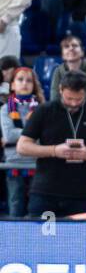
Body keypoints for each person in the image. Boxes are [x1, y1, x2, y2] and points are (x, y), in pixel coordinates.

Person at [16, 71, 86, 218]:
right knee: (43, 238)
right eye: (69, 98)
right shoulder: (44, 110)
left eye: (79, 99)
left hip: (81, 194)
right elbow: (22, 146)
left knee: (76, 239)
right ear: (60, 90)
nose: (73, 103)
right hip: (45, 192)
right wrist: (54, 150)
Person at [2, 65, 43, 217]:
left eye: (29, 80)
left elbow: (44, 136)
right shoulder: (5, 109)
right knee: (15, 202)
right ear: (12, 84)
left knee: (36, 205)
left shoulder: (41, 109)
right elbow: (9, 135)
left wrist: (23, 134)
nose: (24, 83)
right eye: (20, 80)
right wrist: (32, 133)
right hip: (14, 161)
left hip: (36, 162)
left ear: (34, 85)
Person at [50, 36, 86, 106]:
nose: (71, 48)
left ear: (82, 52)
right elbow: (54, 98)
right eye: (66, 46)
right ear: (63, 55)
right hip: (63, 112)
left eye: (75, 46)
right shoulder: (58, 71)